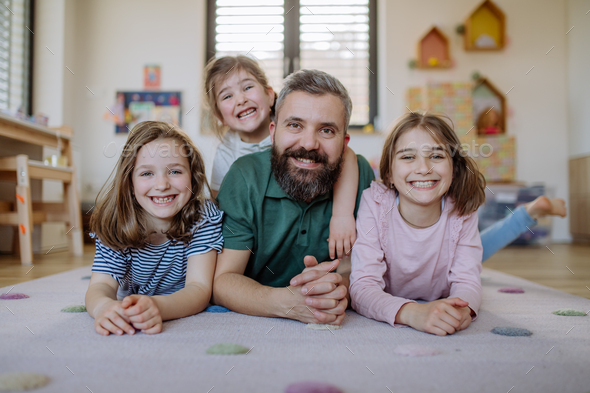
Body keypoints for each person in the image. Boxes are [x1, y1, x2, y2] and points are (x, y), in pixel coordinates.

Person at [213, 69, 375, 325]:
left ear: (344, 144)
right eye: (295, 125)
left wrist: (334, 287)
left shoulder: (361, 176)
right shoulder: (245, 176)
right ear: (273, 132)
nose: (309, 143)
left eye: (326, 130)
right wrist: (286, 302)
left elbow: (354, 268)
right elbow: (223, 280)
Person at [203, 56, 358, 259]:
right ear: (219, 116)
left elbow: (348, 156)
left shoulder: (291, 133)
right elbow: (220, 204)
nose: (240, 99)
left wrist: (342, 215)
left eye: (247, 87)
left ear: (270, 96)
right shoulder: (226, 152)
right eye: (227, 96)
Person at [350, 112, 486, 336]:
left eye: (436, 156)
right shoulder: (374, 202)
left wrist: (461, 309)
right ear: (389, 173)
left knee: (483, 250)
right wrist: (412, 313)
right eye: (407, 157)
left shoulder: (462, 208)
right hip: (395, 295)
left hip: (442, 286)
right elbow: (363, 287)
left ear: (454, 169)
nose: (423, 168)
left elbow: (467, 281)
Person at [85, 121, 223, 336]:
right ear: (129, 183)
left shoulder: (203, 218)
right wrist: (103, 306)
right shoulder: (115, 222)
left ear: (193, 179)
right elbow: (99, 286)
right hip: (133, 299)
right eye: (147, 173)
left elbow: (199, 289)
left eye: (175, 171)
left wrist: (156, 306)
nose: (161, 185)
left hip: (174, 300)